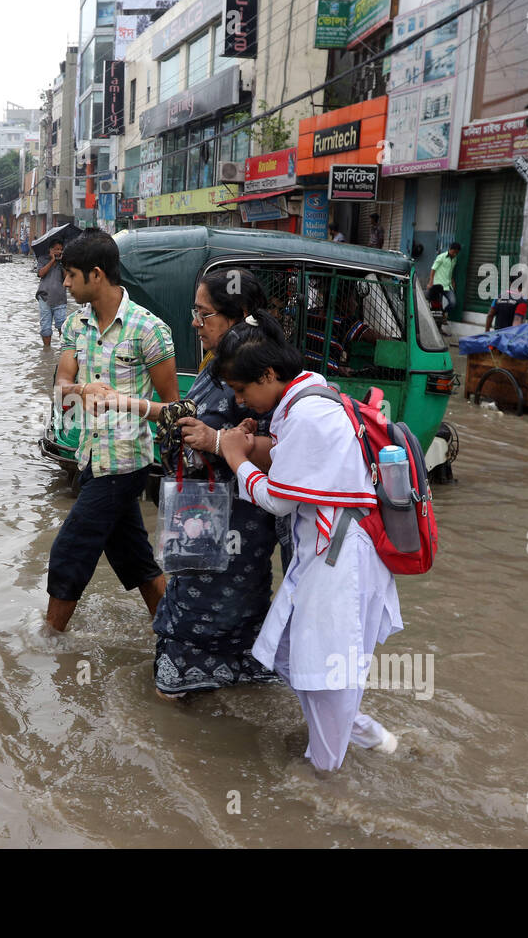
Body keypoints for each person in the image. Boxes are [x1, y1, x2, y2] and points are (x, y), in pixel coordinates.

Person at [216, 313, 402, 771]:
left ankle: (328, 781)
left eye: (243, 390)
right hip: (328, 552)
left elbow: (278, 500)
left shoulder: (309, 414)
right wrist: (250, 444)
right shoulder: (306, 398)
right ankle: (356, 736)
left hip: (340, 558)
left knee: (327, 671)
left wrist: (237, 458)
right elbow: (285, 457)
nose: (241, 401)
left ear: (268, 375)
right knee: (292, 653)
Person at [148, 269, 284, 700]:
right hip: (199, 517)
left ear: (240, 316)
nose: (195, 323)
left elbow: (277, 448)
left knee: (224, 615)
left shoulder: (263, 376)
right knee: (187, 600)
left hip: (237, 529)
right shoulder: (214, 366)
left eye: (203, 314)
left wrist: (216, 440)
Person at [45, 231, 179, 633]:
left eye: (71, 275)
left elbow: (174, 411)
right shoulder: (75, 326)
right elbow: (61, 390)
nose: (64, 283)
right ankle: (174, 632)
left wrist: (124, 403)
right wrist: (82, 390)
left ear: (96, 275)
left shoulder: (148, 330)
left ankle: (48, 641)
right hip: (89, 458)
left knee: (69, 552)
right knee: (136, 559)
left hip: (124, 464)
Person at [35, 238, 69, 349]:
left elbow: (67, 277)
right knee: (45, 328)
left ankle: (63, 350)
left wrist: (62, 262)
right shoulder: (43, 259)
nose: (58, 251)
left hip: (60, 298)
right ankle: (47, 351)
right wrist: (52, 260)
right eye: (56, 249)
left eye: (60, 249)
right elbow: (40, 273)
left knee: (62, 326)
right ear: (50, 250)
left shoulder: (64, 262)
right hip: (44, 298)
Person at [430, 242, 461, 319]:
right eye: (454, 252)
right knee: (437, 306)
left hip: (448, 285)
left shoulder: (454, 259)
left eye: (457, 253)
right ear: (450, 249)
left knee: (453, 303)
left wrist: (452, 281)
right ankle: (438, 326)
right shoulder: (441, 257)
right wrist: (430, 282)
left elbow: (451, 271)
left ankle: (443, 313)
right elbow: (433, 269)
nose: (455, 254)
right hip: (438, 285)